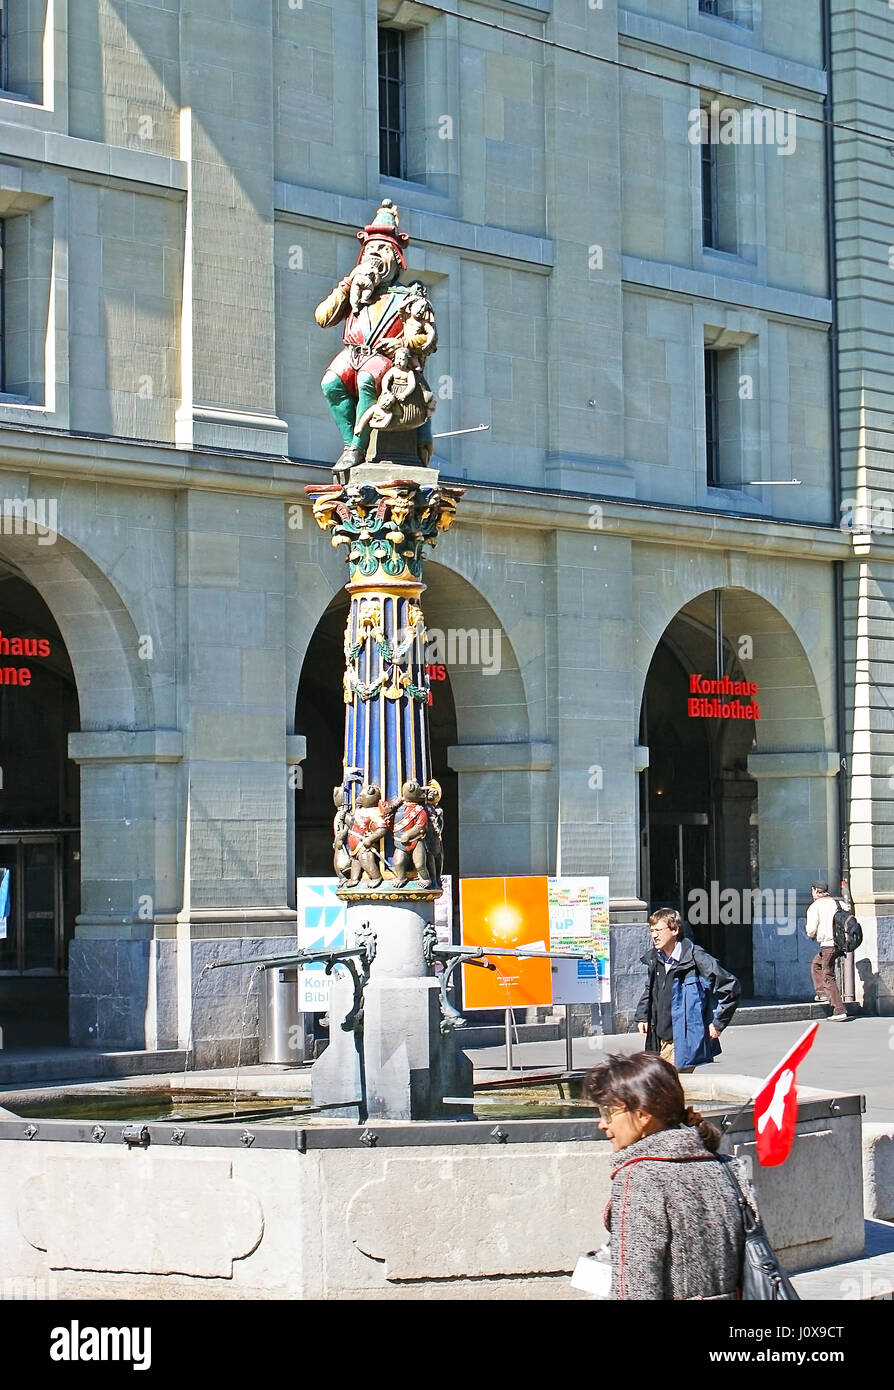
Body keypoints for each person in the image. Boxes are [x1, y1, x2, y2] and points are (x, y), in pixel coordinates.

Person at [584, 1051, 757, 1300]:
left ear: (643, 1116)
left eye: (609, 1113)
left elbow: (636, 1289)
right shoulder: (729, 1168)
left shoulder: (639, 1178)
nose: (603, 1124)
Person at [635, 907, 739, 1069]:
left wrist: (718, 1023)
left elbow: (730, 986)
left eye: (658, 930)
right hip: (659, 1038)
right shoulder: (656, 958)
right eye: (651, 930)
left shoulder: (695, 957)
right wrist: (643, 1016)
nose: (654, 935)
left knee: (669, 1090)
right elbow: (650, 988)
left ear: (675, 929)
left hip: (682, 1041)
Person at [805, 881, 848, 1021]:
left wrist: (812, 933)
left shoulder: (815, 906)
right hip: (839, 944)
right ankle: (822, 993)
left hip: (827, 944)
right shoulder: (836, 903)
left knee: (828, 975)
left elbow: (811, 930)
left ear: (815, 890)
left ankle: (839, 1010)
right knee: (816, 964)